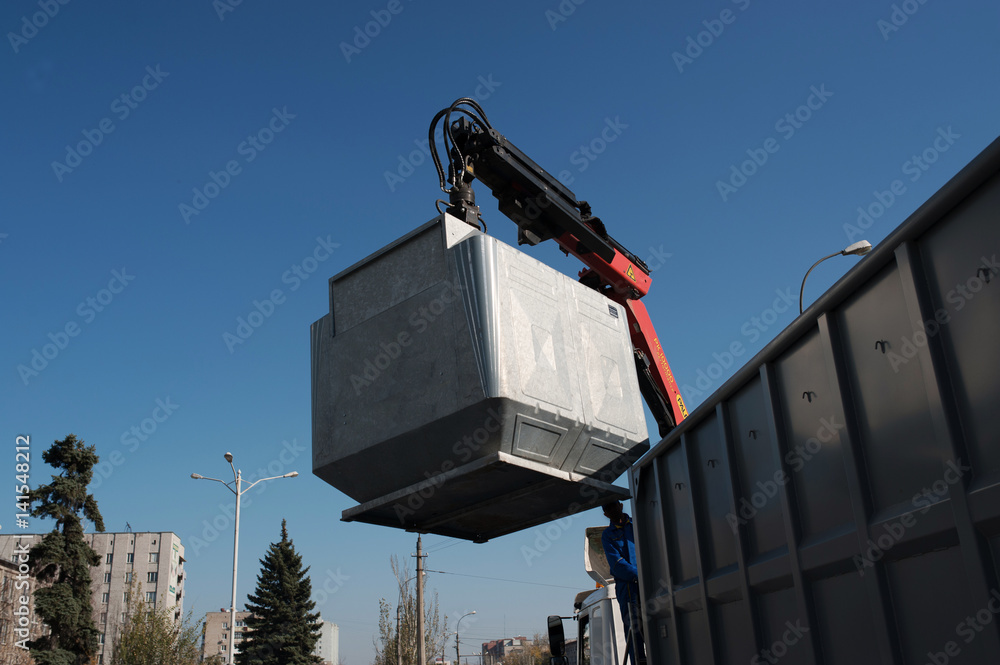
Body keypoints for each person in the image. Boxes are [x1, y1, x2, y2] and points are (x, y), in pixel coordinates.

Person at [601, 500, 646, 665]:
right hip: (628, 588)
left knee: (657, 624)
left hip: (649, 581)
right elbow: (617, 563)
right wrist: (641, 575)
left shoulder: (639, 522)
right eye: (607, 509)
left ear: (620, 505)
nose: (611, 510)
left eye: (613, 506)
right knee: (635, 632)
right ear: (605, 514)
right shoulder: (608, 535)